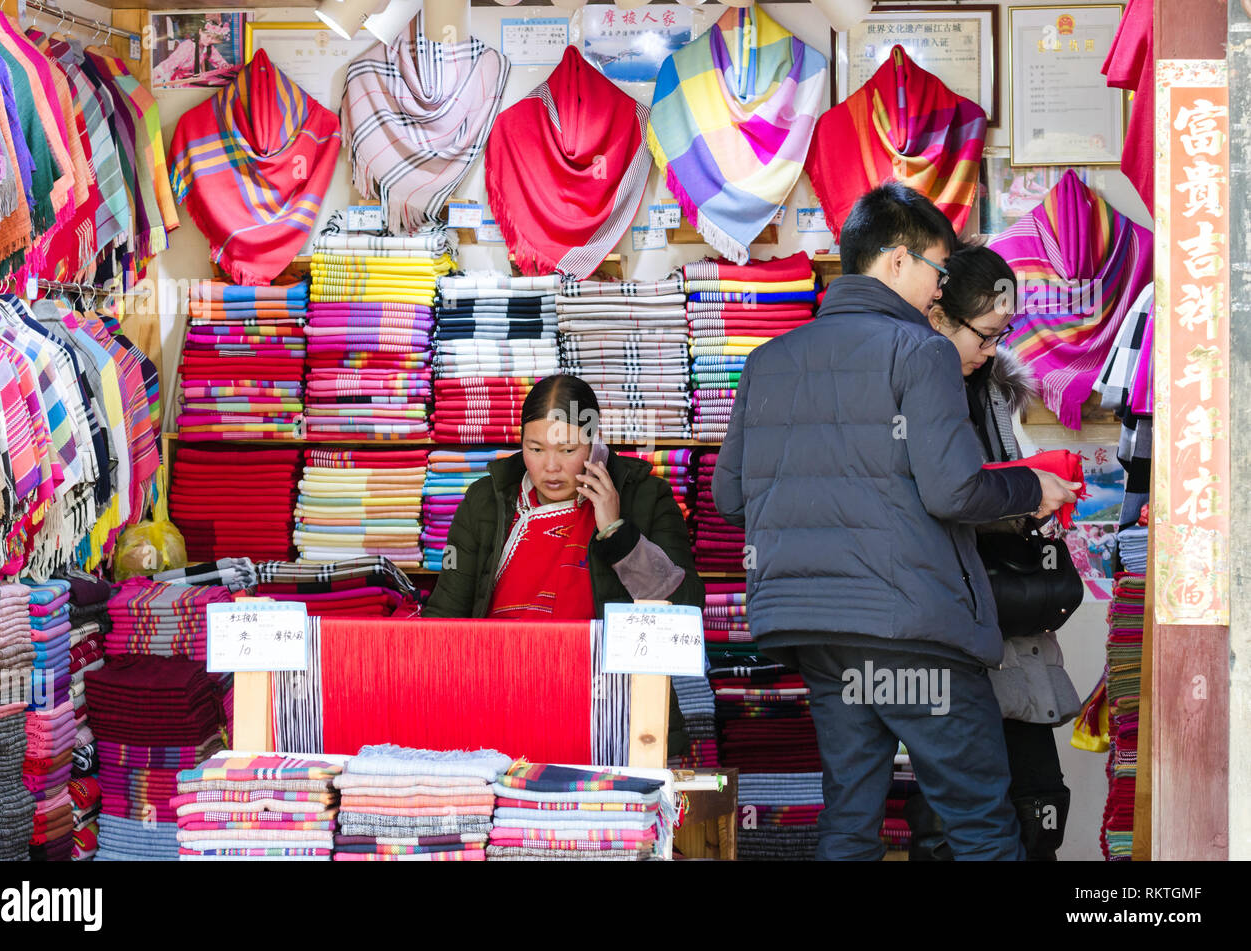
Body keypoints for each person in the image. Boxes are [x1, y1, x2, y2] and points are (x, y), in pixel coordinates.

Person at [712, 182, 1081, 861]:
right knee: (978, 820)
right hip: (914, 628)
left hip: (815, 630)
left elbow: (730, 498)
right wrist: (1032, 488)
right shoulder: (921, 353)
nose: (941, 290)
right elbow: (952, 490)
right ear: (897, 260)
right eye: (939, 271)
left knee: (850, 819)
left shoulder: (768, 363)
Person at [901, 242, 1081, 861]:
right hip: (947, 623)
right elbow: (942, 499)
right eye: (984, 335)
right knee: (955, 809)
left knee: (1033, 803)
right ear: (937, 316)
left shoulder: (992, 391)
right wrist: (1022, 492)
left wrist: (1033, 494)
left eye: (1000, 336)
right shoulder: (907, 390)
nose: (991, 350)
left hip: (1007, 621)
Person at [423, 374, 704, 619]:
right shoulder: (485, 500)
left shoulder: (646, 497)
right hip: (498, 668)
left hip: (602, 675)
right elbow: (446, 613)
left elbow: (686, 608)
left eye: (567, 450)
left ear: (594, 443)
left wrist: (616, 533)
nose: (551, 467)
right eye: (535, 449)